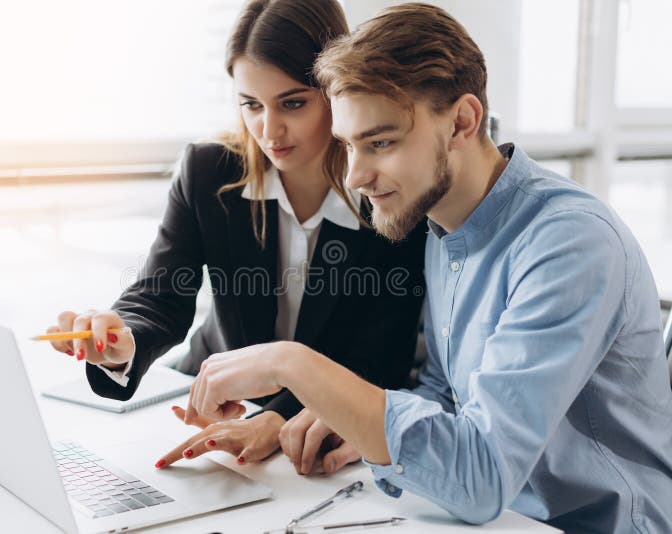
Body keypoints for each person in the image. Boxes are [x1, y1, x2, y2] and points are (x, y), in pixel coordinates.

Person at [182, 3, 672, 532]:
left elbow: (480, 474)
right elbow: (446, 393)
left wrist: (294, 365)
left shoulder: (569, 243)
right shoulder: (443, 225)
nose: (356, 177)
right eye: (349, 145)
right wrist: (357, 424)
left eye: (382, 142)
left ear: (462, 120)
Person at [45, 0, 426, 473]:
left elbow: (381, 359)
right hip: (203, 408)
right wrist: (122, 341)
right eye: (251, 105)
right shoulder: (209, 173)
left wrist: (274, 418)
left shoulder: (387, 197)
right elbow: (161, 296)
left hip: (314, 436)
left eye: (292, 103)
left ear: (335, 90)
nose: (269, 130)